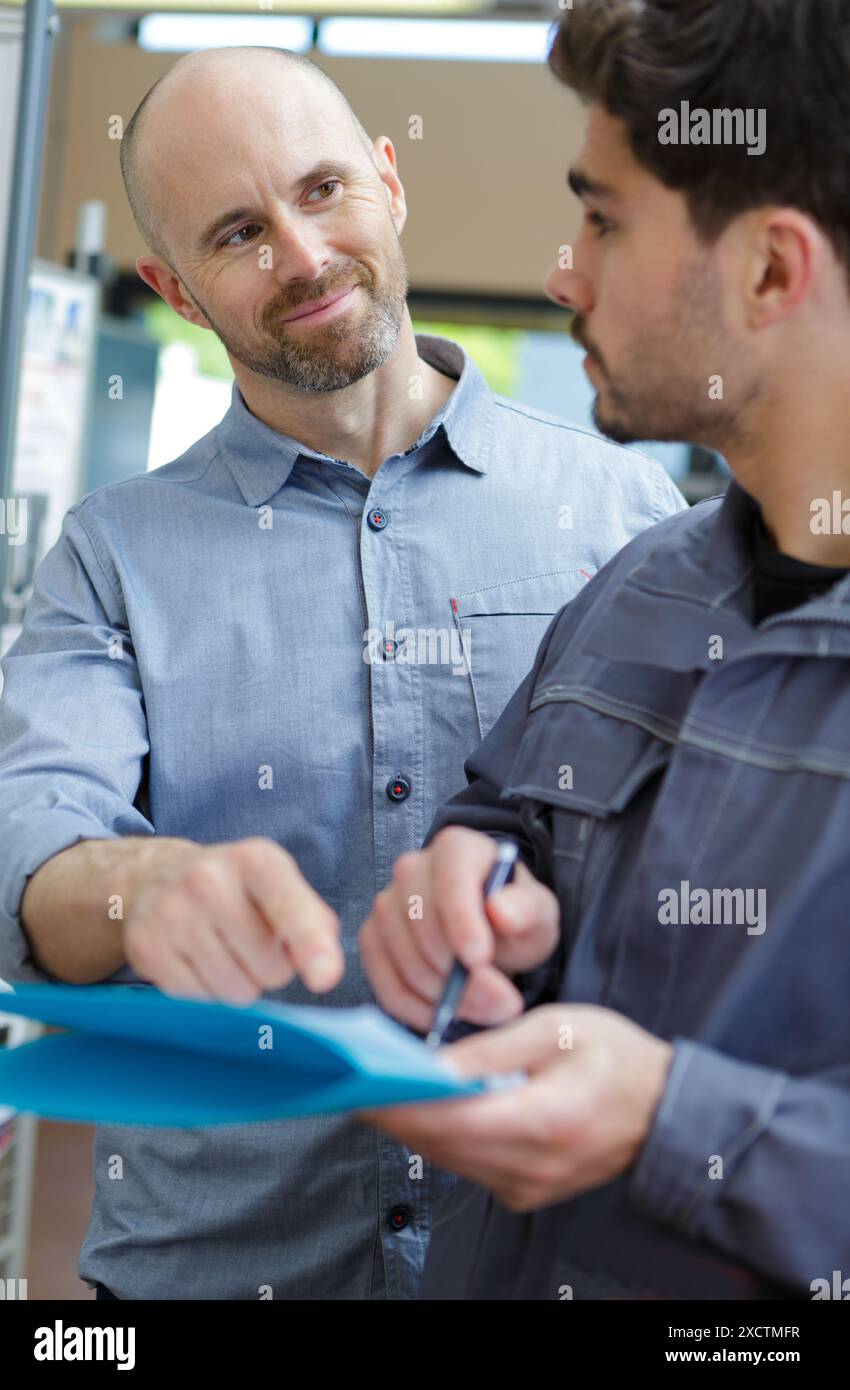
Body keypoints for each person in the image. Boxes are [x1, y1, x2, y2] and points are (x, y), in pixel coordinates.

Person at [0, 45, 683, 1300]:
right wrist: (138, 885)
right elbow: (25, 835)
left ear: (389, 182)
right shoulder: (112, 555)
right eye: (238, 233)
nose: (302, 259)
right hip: (204, 1274)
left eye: (321, 192)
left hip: (539, 1263)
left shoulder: (621, 508)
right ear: (177, 291)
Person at [359, 0, 850, 1300]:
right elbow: (498, 805)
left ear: (767, 270)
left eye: (604, 219)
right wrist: (469, 873)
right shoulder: (640, 583)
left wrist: (671, 1126)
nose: (562, 274)